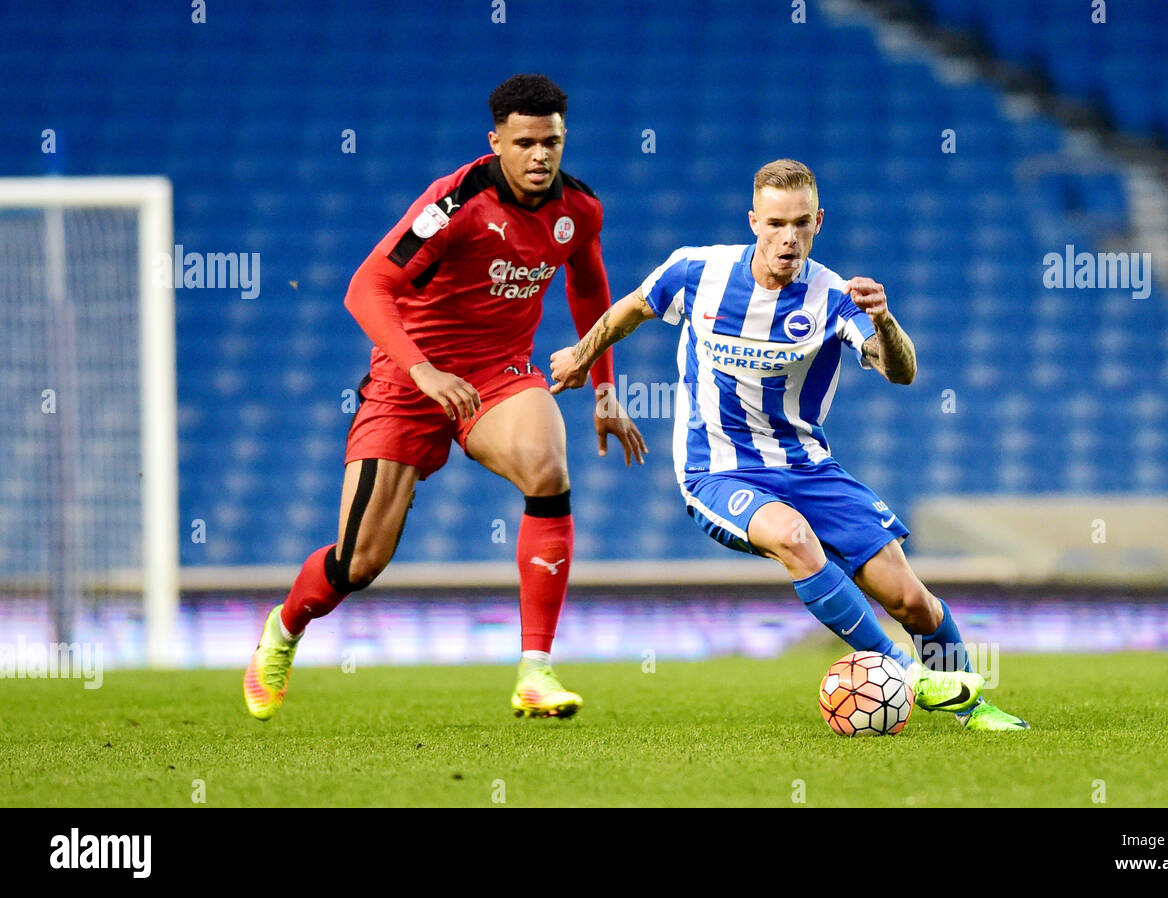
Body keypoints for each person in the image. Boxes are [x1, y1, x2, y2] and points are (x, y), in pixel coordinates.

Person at [550, 159, 1028, 730]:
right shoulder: (696, 271)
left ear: (819, 221)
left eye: (801, 223)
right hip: (718, 471)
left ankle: (975, 710)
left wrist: (887, 320)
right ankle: (907, 673)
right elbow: (634, 306)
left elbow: (900, 372)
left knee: (911, 601)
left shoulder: (834, 297)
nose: (788, 238)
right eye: (776, 223)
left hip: (807, 467)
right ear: (753, 220)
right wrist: (583, 353)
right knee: (793, 537)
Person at [243, 74, 647, 722]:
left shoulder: (580, 209)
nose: (540, 156)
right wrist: (422, 370)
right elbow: (366, 286)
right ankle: (285, 627)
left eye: (552, 142)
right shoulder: (457, 202)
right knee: (360, 561)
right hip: (409, 381)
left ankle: (535, 672)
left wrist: (605, 389)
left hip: (499, 373)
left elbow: (590, 290)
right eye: (525, 143)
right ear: (496, 142)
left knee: (548, 470)